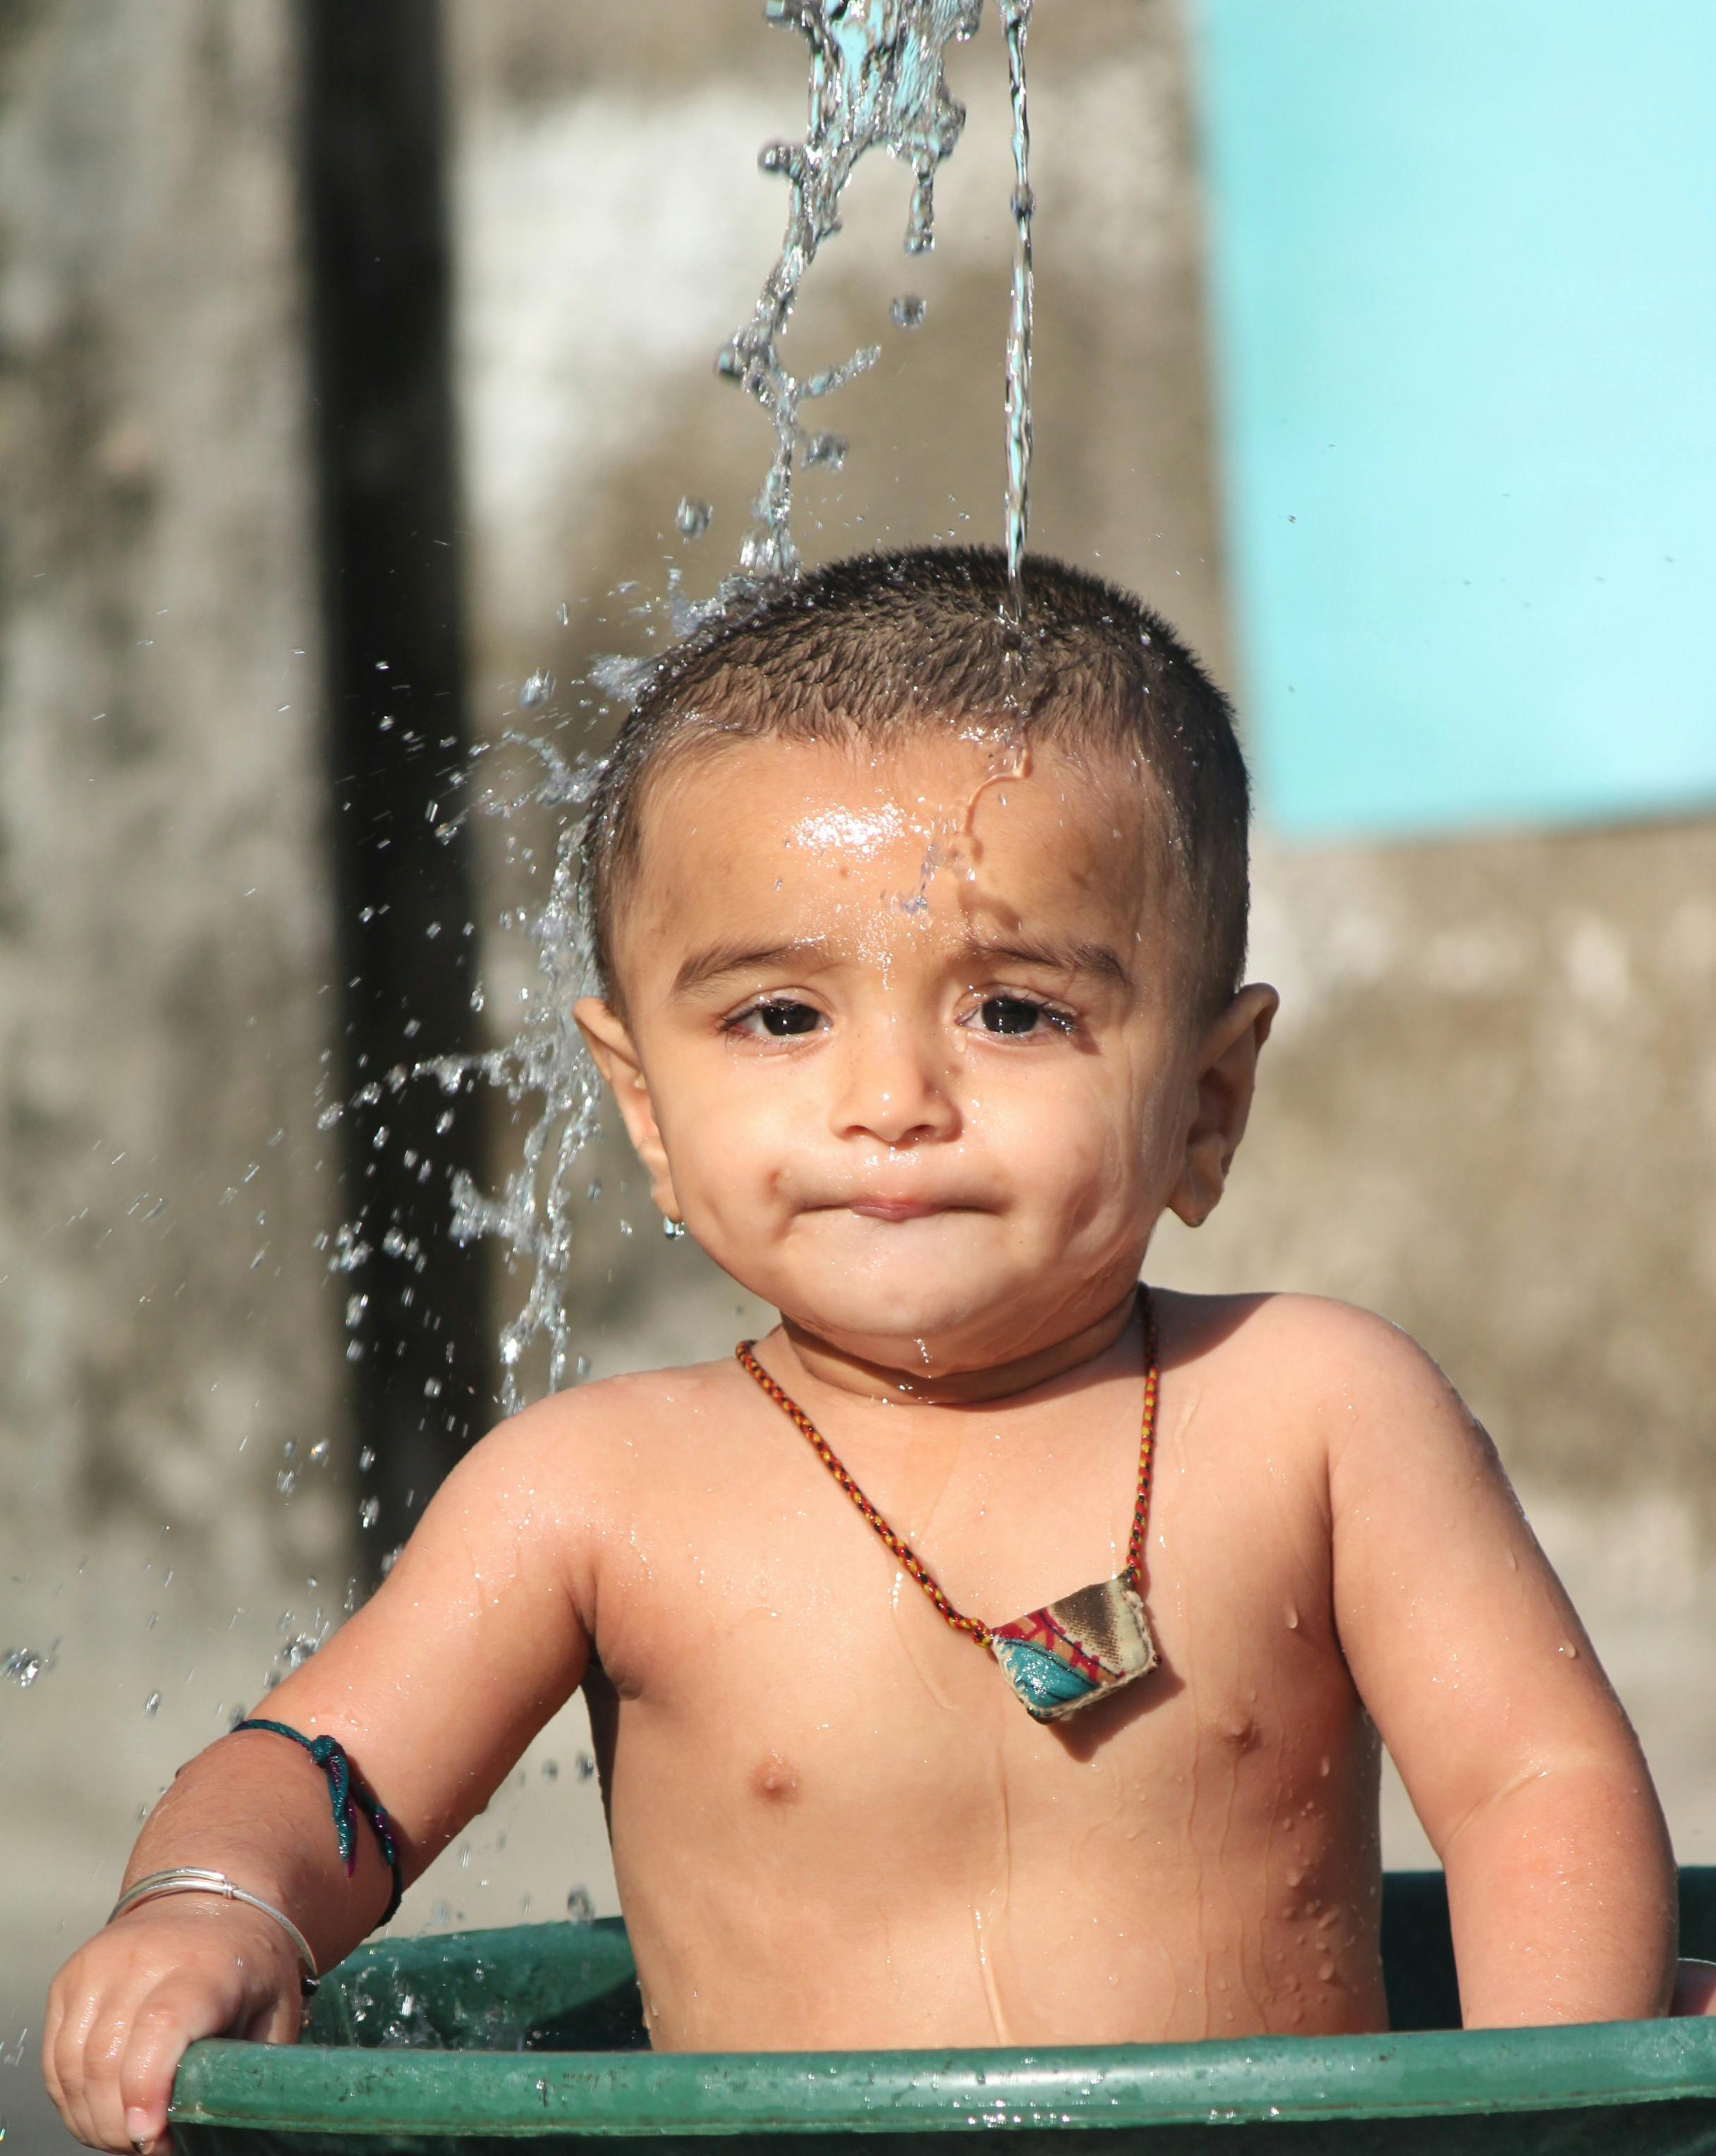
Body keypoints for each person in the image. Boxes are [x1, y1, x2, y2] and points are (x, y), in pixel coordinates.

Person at [46, 547, 1682, 2153]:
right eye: (778, 1016)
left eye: (1014, 1011)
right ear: (644, 1108)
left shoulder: (1314, 1409)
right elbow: (324, 1764)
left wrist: (1548, 2107)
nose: (888, 1098)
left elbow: (1532, 1781)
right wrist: (212, 1902)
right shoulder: (594, 1493)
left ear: (1205, 1099)